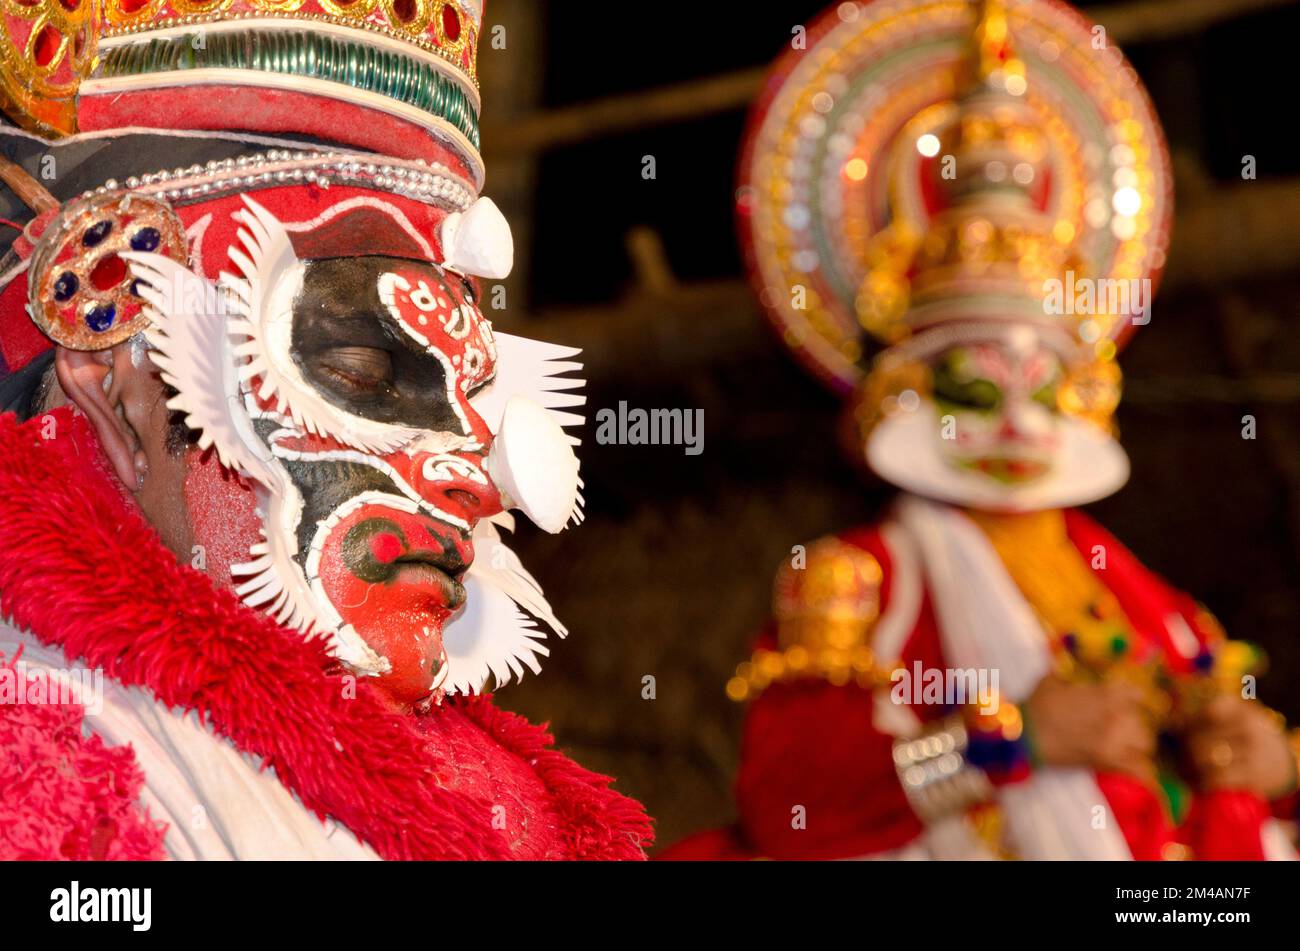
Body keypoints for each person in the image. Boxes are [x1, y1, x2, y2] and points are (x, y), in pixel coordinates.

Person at [0, 0, 650, 860]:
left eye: (474, 404)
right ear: (121, 391)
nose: (473, 478)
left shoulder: (495, 796)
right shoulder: (48, 769)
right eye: (361, 373)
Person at [665, 0, 1298, 861]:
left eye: (1039, 390)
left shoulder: (1166, 615)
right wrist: (1008, 739)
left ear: (1086, 391)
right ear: (903, 389)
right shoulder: (855, 583)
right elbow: (791, 809)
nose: (1010, 421)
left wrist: (1270, 770)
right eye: (971, 387)